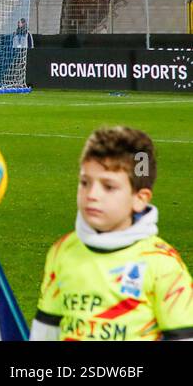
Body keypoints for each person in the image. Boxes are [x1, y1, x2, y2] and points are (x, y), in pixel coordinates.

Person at [31, 127, 193, 341]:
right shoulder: (62, 251)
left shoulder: (162, 264)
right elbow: (46, 328)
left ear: (140, 199)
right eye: (85, 182)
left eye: (108, 186)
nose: (92, 195)